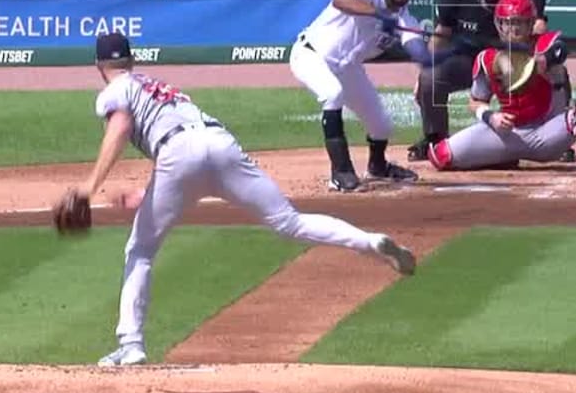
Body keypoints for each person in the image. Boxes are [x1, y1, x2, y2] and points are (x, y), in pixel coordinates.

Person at [70, 31, 417, 367]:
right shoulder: (157, 86)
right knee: (291, 221)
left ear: (99, 65)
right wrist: (150, 193)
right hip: (220, 143)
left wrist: (89, 187)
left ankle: (130, 345)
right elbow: (193, 152)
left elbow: (123, 127)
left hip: (177, 155)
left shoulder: (114, 90)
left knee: (141, 251)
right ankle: (370, 242)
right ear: (132, 59)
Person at [427, 0, 576, 179]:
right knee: (440, 156)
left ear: (530, 24)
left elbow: (560, 50)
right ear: (499, 24)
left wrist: (542, 60)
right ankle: (499, 158)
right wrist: (491, 117)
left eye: (519, 23)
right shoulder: (487, 58)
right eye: (507, 23)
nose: (513, 29)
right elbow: (475, 101)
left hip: (546, 133)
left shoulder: (544, 44)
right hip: (508, 133)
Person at [290, 0, 430, 192]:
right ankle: (340, 173)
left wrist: (427, 57)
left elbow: (416, 48)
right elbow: (341, 0)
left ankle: (378, 167)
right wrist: (378, 13)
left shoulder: (404, 19)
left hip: (349, 68)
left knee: (382, 125)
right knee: (332, 94)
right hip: (311, 55)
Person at [408, 0, 548, 162]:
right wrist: (423, 73)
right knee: (430, 78)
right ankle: (435, 139)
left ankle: (550, 132)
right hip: (469, 60)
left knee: (551, 71)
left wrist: (536, 59)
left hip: (512, 59)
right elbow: (440, 36)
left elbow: (540, 28)